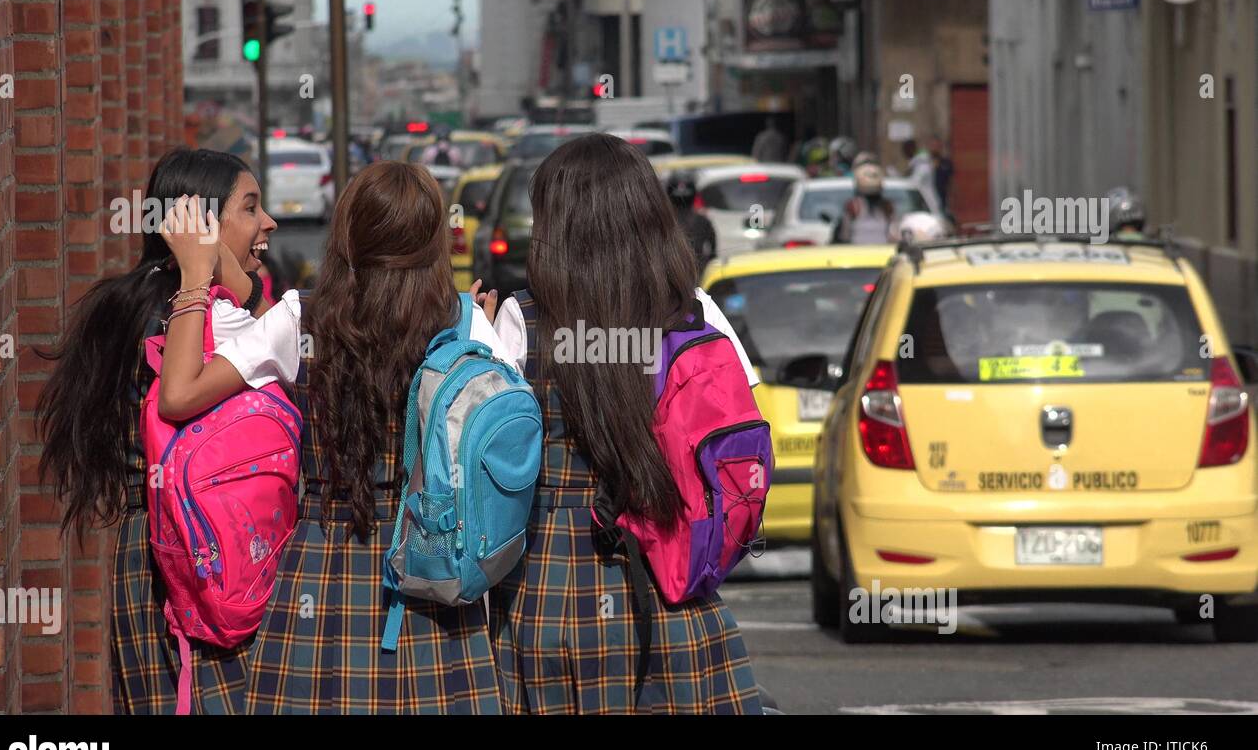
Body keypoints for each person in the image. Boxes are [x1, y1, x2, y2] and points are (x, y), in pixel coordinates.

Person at [156, 161, 511, 714]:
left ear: (346, 235)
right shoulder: (469, 325)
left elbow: (177, 395)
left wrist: (195, 280)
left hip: (323, 571)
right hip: (432, 568)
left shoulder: (302, 321)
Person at [489, 133, 763, 714]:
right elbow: (737, 438)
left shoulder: (520, 320)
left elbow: (491, 455)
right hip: (674, 585)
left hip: (553, 593)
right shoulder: (694, 311)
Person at [37, 148, 276, 714]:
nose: (268, 223)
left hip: (203, 549)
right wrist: (220, 284)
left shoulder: (157, 300)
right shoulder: (177, 315)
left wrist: (237, 283)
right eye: (250, 207)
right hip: (188, 554)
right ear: (202, 225)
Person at [834, 155, 897, 245]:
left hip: (865, 255)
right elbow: (893, 235)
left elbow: (845, 236)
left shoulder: (853, 206)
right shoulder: (887, 206)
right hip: (875, 254)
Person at [665, 170, 717, 276]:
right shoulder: (702, 221)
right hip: (696, 276)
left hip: (670, 277)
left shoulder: (663, 221)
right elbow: (713, 252)